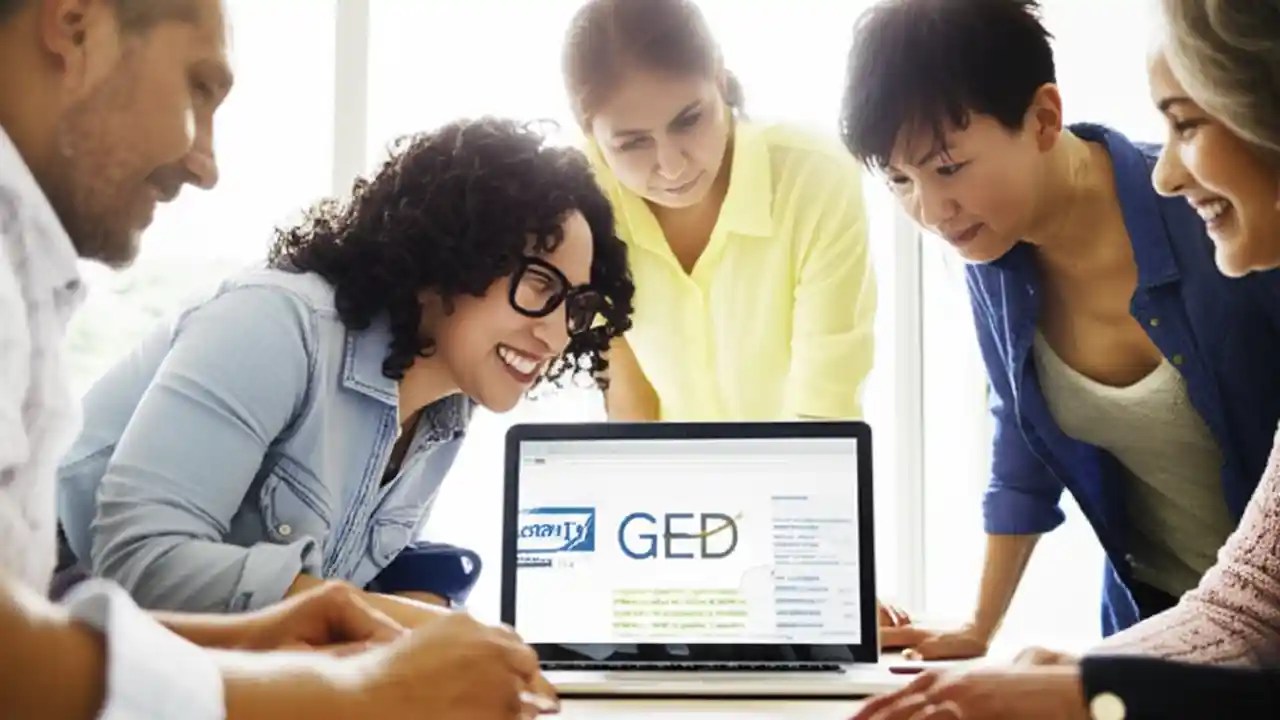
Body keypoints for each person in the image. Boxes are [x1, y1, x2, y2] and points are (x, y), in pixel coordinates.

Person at [0, 0, 555, 718]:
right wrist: (359, 693)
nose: (205, 165)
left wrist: (268, 631)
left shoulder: (25, 266)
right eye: (198, 88)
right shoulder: (279, 317)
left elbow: (19, 628)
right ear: (75, 27)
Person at [850, 0, 1280, 717]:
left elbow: (1251, 615)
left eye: (948, 167)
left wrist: (1089, 678)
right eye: (900, 181)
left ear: (1045, 119)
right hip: (1172, 627)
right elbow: (1019, 437)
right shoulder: (993, 257)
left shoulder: (1228, 226)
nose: (929, 209)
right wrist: (1000, 638)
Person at [54, 115, 635, 625]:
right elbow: (138, 561)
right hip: (52, 647)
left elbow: (333, 569)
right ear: (454, 253)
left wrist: (423, 605)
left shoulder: (444, 409)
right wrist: (382, 619)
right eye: (540, 285)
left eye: (576, 306)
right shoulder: (277, 323)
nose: (557, 334)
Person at [562, 0, 877, 423]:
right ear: (590, 134)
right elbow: (627, 394)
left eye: (688, 120)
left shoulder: (813, 179)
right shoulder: (584, 199)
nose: (672, 166)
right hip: (672, 476)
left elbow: (825, 407)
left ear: (720, 79)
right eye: (633, 143)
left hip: (805, 469)